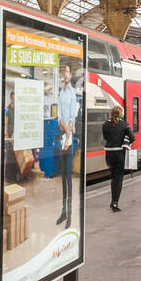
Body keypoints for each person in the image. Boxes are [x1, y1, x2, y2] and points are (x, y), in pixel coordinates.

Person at [55, 64, 78, 227]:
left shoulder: (73, 93)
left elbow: (72, 116)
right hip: (63, 134)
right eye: (64, 73)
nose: (66, 75)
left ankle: (70, 214)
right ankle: (63, 211)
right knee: (63, 177)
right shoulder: (60, 92)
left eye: (68, 72)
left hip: (68, 138)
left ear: (71, 75)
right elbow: (59, 116)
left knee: (69, 178)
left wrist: (68, 133)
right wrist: (64, 128)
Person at [102, 107, 135, 211]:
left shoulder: (105, 124)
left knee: (113, 178)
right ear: (121, 113)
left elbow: (105, 137)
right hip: (119, 154)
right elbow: (132, 137)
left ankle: (113, 201)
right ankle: (115, 203)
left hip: (109, 154)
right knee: (119, 179)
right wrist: (125, 140)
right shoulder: (124, 124)